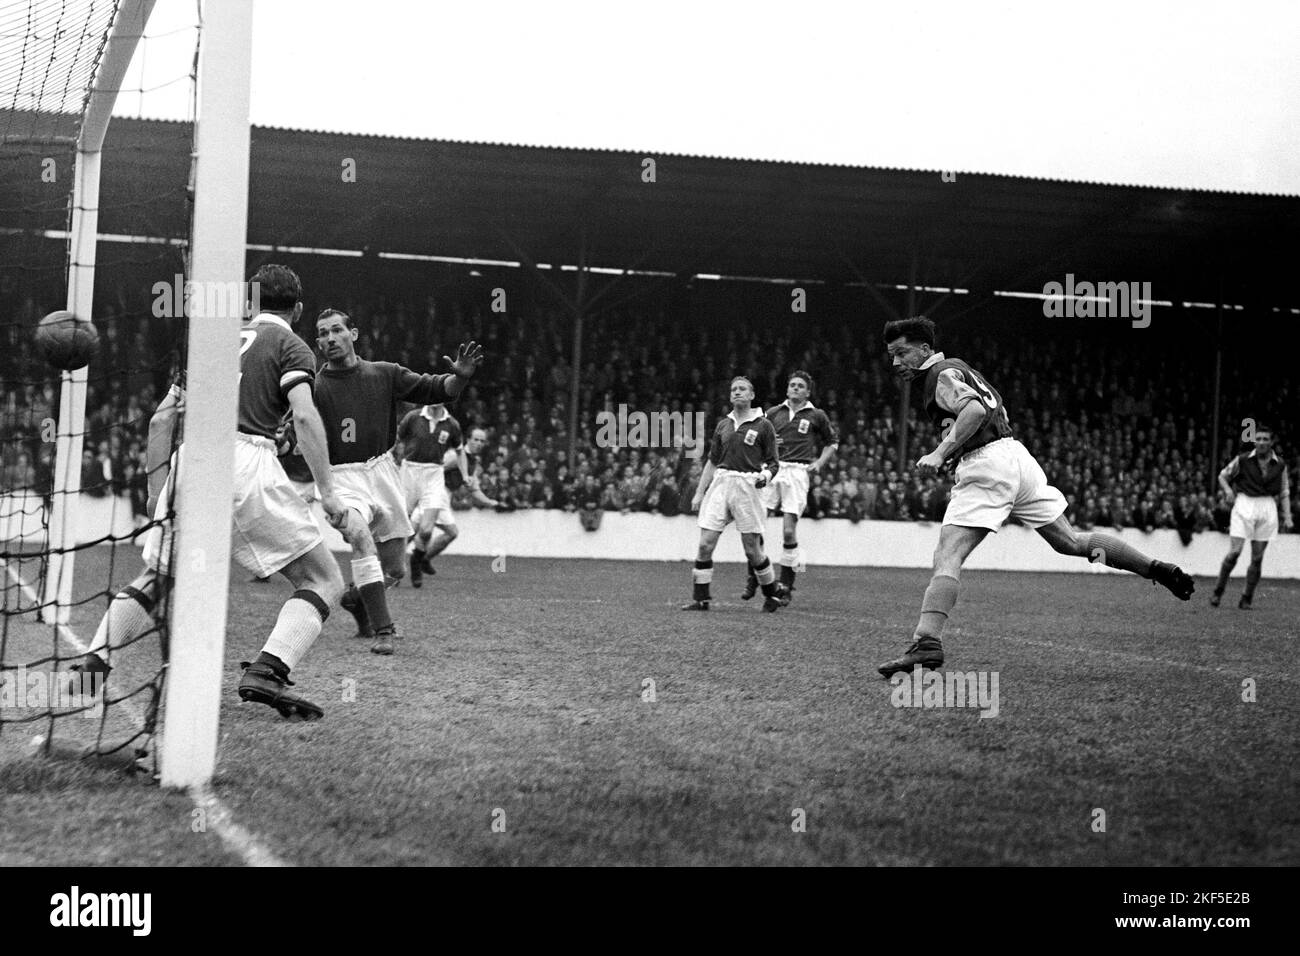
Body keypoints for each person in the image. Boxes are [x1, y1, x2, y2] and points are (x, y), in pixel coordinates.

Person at [73, 266, 351, 721]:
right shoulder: (292, 346)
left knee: (159, 576)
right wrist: (330, 493)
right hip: (243, 463)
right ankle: (269, 670)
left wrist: (156, 491)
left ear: (249, 303)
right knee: (323, 579)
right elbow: (304, 418)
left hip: (190, 460)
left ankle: (93, 662)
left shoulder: (213, 341)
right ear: (297, 310)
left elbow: (162, 420)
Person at [876, 317, 1194, 678]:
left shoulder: (940, 374)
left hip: (986, 463)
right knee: (1070, 541)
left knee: (947, 554)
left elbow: (974, 411)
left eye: (902, 353)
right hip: (1017, 458)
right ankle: (1155, 568)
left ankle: (927, 642)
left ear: (925, 349)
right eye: (892, 356)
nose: (896, 363)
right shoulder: (963, 368)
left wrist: (940, 451)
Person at [311, 308, 483, 653]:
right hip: (341, 478)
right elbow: (294, 429)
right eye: (323, 334)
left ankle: (358, 598)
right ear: (318, 343)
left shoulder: (384, 374)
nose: (330, 339)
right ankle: (384, 630)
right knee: (361, 539)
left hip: (384, 471)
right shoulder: (315, 387)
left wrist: (461, 378)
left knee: (394, 569)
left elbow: (436, 388)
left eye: (336, 331)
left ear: (353, 334)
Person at [683, 377, 788, 612]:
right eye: (733, 390)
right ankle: (701, 599)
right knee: (705, 544)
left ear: (751, 395)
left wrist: (765, 477)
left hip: (747, 486)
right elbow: (712, 461)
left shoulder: (763, 425)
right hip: (721, 484)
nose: (737, 392)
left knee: (752, 550)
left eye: (742, 389)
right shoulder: (723, 425)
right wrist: (700, 493)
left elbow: (773, 463)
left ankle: (771, 594)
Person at [746, 370, 838, 605]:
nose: (795, 388)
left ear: (807, 392)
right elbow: (757, 435)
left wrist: (819, 462)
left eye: (800, 386)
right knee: (756, 526)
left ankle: (786, 585)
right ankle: (755, 575)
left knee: (788, 531)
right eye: (792, 385)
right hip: (773, 469)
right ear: (787, 389)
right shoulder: (774, 412)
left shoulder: (817, 415)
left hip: (798, 472)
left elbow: (832, 442)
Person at [1210, 424, 1292, 609]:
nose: (1262, 442)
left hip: (1267, 506)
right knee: (1234, 553)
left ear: (1271, 442)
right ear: (1254, 441)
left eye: (1265, 439)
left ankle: (1246, 597)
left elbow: (1285, 491)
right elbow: (1223, 476)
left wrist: (1287, 516)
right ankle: (1218, 591)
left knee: (1257, 558)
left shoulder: (1280, 464)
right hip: (1244, 504)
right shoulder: (1243, 459)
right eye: (1259, 439)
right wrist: (1228, 491)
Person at [396, 403, 464, 587]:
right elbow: (397, 438)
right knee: (403, 527)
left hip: (434, 478)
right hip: (410, 472)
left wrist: (465, 477)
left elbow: (460, 451)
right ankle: (393, 567)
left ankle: (416, 560)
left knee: (426, 530)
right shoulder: (413, 417)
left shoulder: (451, 425)